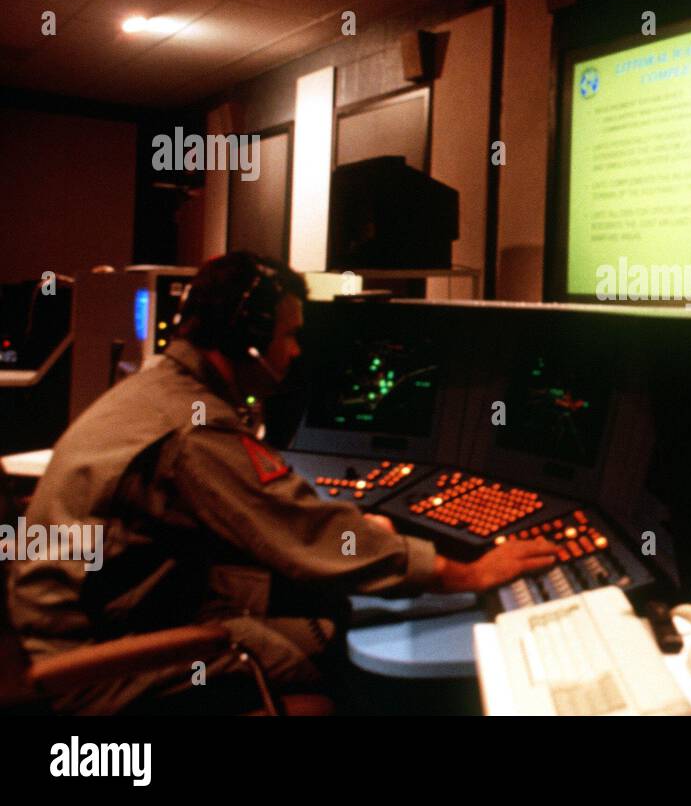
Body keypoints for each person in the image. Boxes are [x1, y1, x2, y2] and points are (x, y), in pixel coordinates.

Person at [6, 252, 558, 713]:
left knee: (314, 618)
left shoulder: (160, 393)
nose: (294, 352)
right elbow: (300, 529)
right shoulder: (193, 427)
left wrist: (348, 539)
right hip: (94, 663)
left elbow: (282, 525)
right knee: (320, 662)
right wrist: (468, 572)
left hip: (79, 627)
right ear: (248, 338)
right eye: (289, 334)